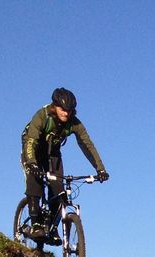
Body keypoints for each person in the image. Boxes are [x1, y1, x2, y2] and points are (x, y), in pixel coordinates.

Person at [20, 87, 108, 240]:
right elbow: (30, 141)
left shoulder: (74, 123)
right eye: (63, 109)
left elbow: (87, 145)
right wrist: (32, 163)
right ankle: (35, 225)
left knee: (58, 189)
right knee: (35, 181)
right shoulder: (42, 116)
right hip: (33, 150)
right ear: (55, 106)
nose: (66, 113)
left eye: (70, 110)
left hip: (53, 153)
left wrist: (100, 169)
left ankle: (52, 227)